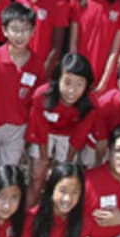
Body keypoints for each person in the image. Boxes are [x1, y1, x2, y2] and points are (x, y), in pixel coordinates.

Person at [0, 4, 43, 180]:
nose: (20, 35)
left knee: (8, 173)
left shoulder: (37, 65)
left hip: (17, 127)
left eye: (25, 29)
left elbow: (35, 101)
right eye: (14, 29)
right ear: (4, 31)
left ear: (33, 31)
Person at [26, 53, 95, 201]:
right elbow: (39, 129)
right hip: (44, 134)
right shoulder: (42, 96)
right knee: (37, 175)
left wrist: (66, 163)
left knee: (63, 178)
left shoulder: (90, 104)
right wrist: (44, 159)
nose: (72, 90)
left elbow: (79, 136)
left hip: (68, 136)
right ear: (58, 80)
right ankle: (30, 206)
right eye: (67, 83)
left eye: (79, 84)